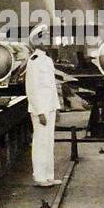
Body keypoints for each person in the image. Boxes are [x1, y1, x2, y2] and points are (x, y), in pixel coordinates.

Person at [24, 37, 61, 187]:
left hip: (50, 107)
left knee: (49, 143)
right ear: (37, 42)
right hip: (41, 109)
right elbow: (31, 89)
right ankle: (39, 177)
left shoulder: (47, 60)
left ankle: (48, 175)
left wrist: (56, 107)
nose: (48, 41)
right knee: (40, 143)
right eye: (44, 39)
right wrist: (39, 112)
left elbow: (52, 86)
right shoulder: (34, 61)